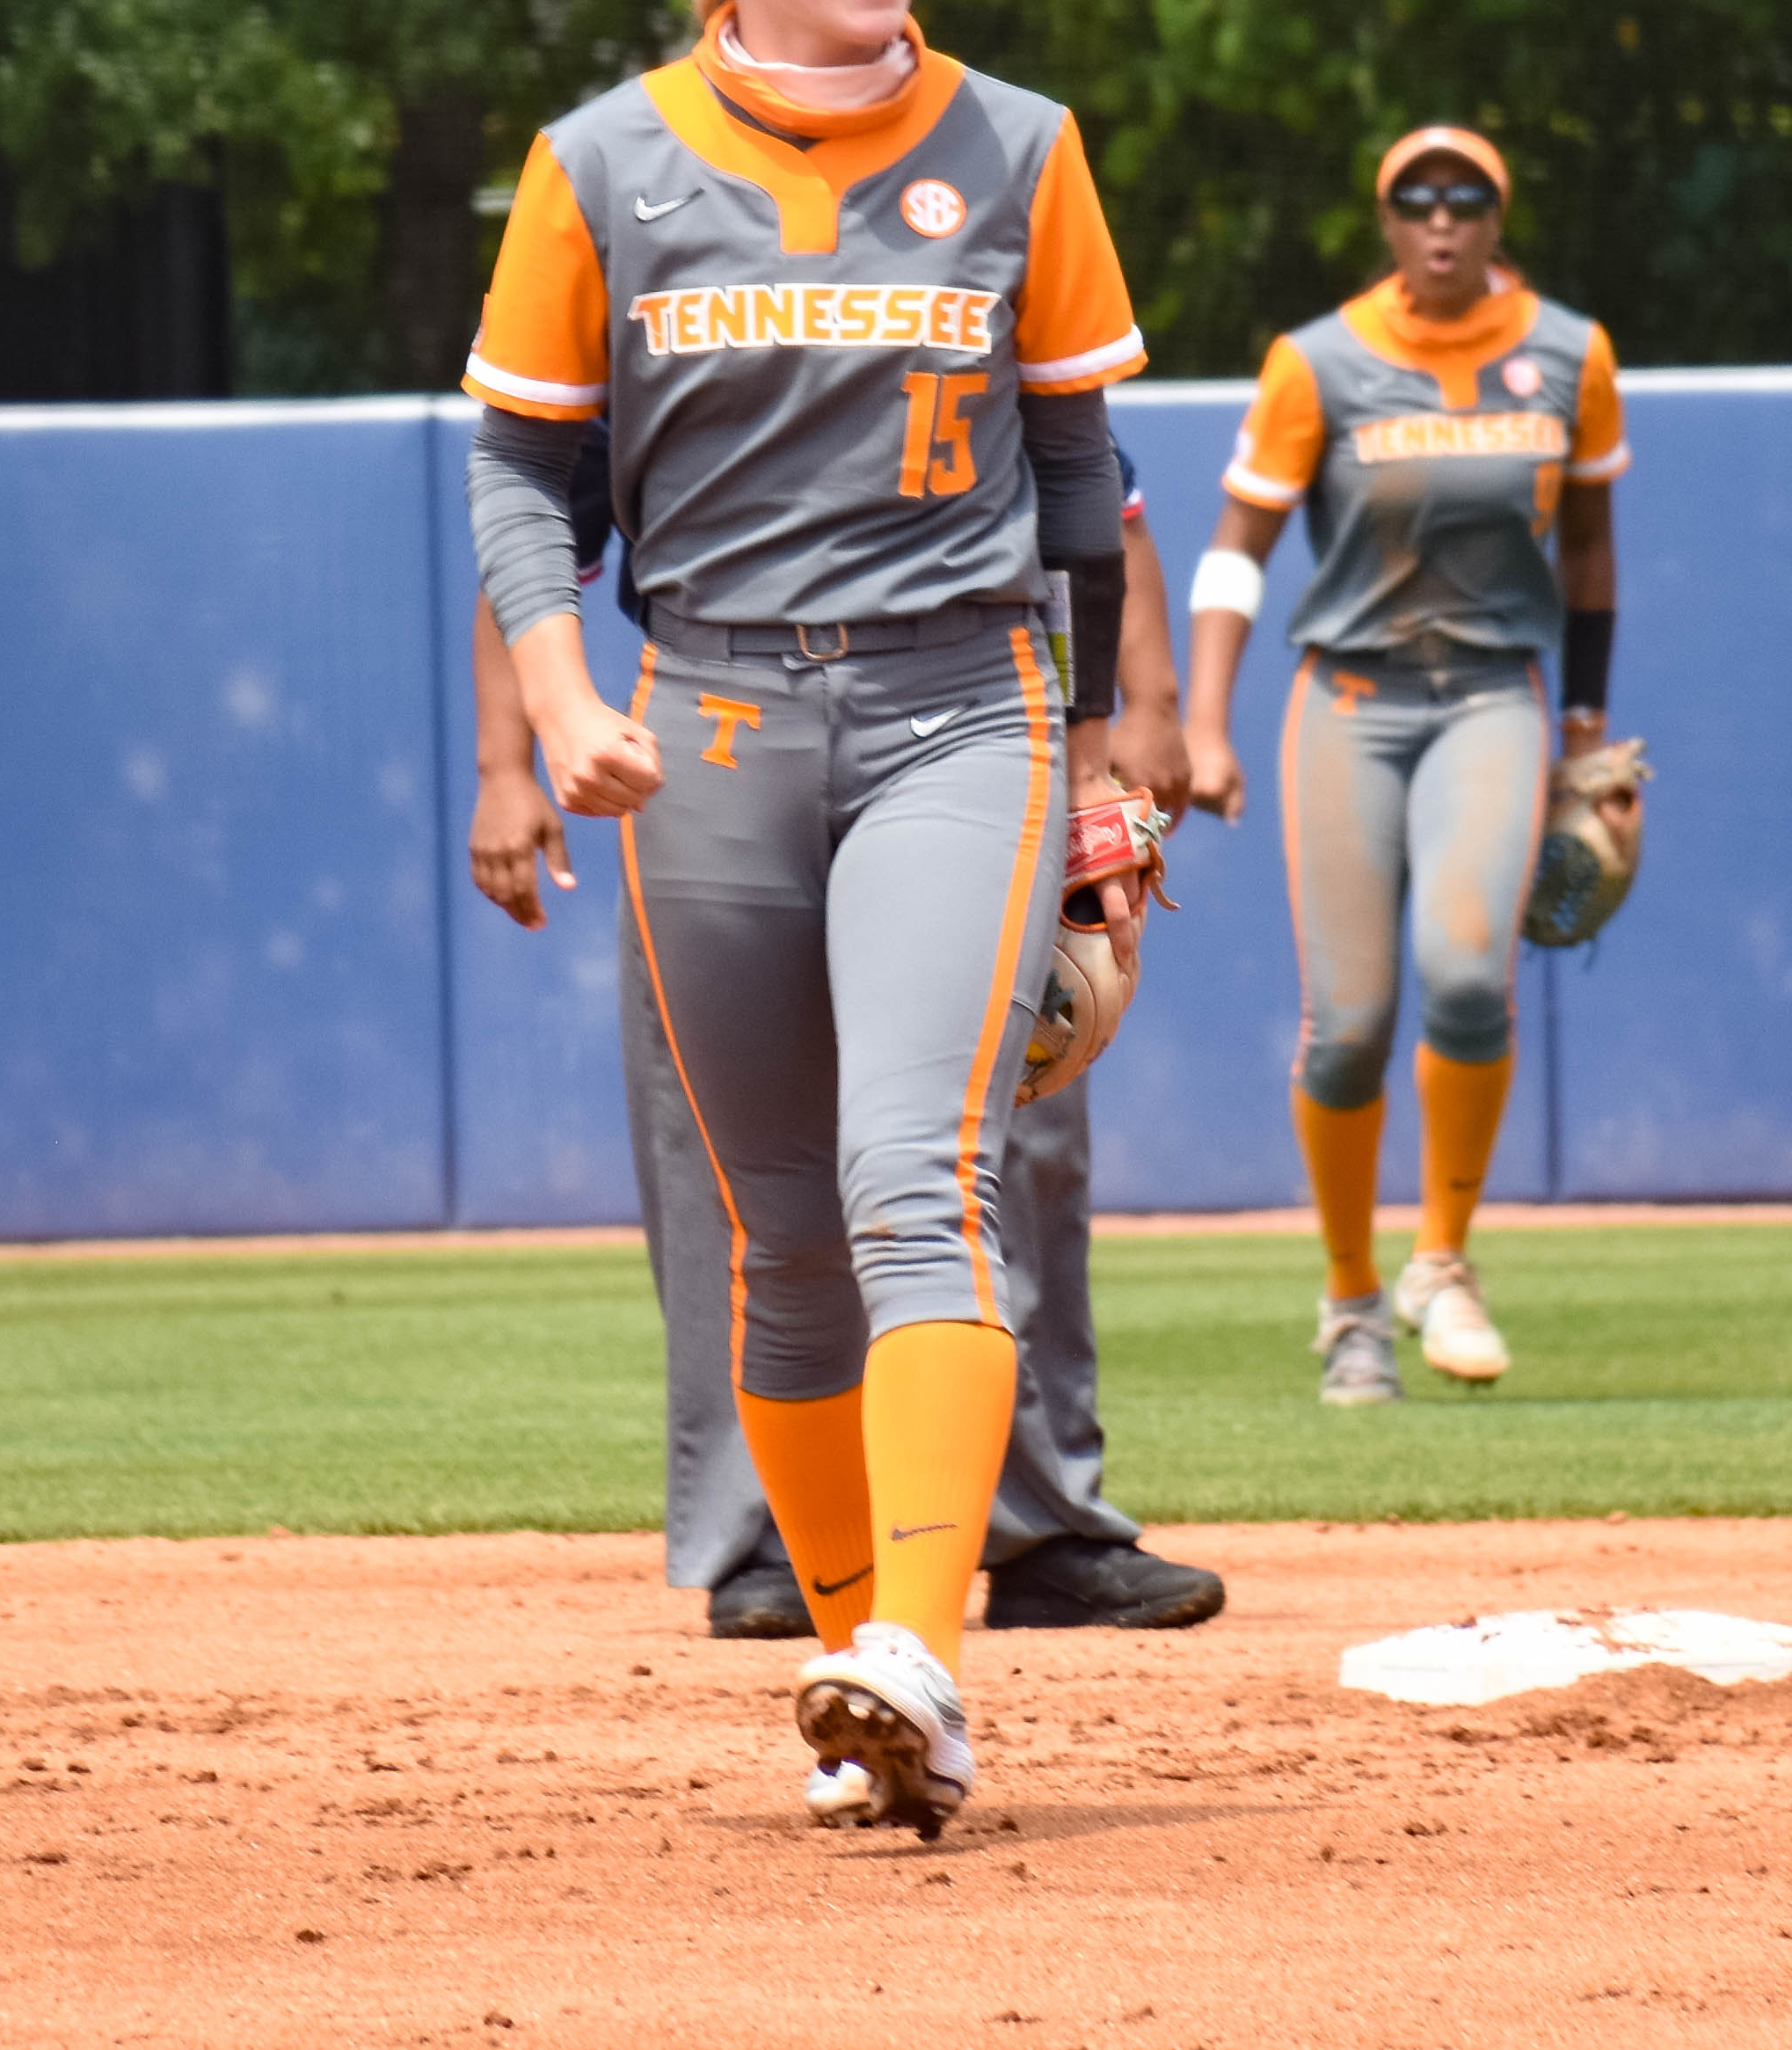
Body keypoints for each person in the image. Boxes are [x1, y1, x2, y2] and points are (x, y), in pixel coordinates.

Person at [460, 0, 1158, 1841]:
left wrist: (1107, 761)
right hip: (712, 728)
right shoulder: (599, 166)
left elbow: (1077, 487)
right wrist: (554, 693)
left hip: (962, 704)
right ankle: (865, 1669)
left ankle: (922, 1661)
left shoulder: (1019, 148)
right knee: (775, 1244)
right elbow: (521, 472)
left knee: (907, 1178)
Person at [465, 439, 1225, 1641]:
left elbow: (1101, 506)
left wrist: (1145, 719)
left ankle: (1040, 1524)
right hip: (722, 757)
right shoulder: (669, 280)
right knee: (737, 1175)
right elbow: (530, 534)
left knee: (1004, 1154)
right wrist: (506, 764)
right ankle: (764, 1535)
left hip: (969, 732)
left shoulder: (958, 273)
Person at [1180, 127, 1628, 1403]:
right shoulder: (1317, 362)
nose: (1441, 221)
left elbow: (1590, 552)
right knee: (1351, 1026)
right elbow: (1234, 553)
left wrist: (1587, 727)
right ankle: (1348, 1302)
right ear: (1386, 220)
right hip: (1351, 698)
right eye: (1416, 200)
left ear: (1497, 215)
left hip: (1492, 693)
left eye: (1466, 199)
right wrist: (1205, 721)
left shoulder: (1567, 356)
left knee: (1465, 975)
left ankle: (1440, 1258)